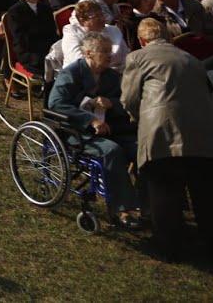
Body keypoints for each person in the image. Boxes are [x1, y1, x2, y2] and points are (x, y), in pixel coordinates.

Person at [120, 17, 213, 261]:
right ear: (170, 38)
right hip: (206, 132)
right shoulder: (191, 59)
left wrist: (137, 119)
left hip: (164, 132)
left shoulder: (137, 58)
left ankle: (168, 247)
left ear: (141, 40)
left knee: (164, 191)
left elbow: (129, 99)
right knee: (206, 194)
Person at [46, 33, 142, 227]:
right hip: (77, 131)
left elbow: (127, 103)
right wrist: (90, 120)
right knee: (111, 151)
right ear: (89, 53)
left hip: (111, 127)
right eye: (104, 51)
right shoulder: (71, 74)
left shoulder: (111, 76)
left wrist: (111, 103)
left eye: (110, 51)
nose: (110, 55)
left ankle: (148, 204)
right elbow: (56, 103)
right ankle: (123, 210)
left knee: (142, 148)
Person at [2, 0, 58, 78]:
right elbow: (22, 39)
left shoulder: (45, 8)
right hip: (29, 52)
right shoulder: (15, 12)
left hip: (46, 48)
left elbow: (51, 31)